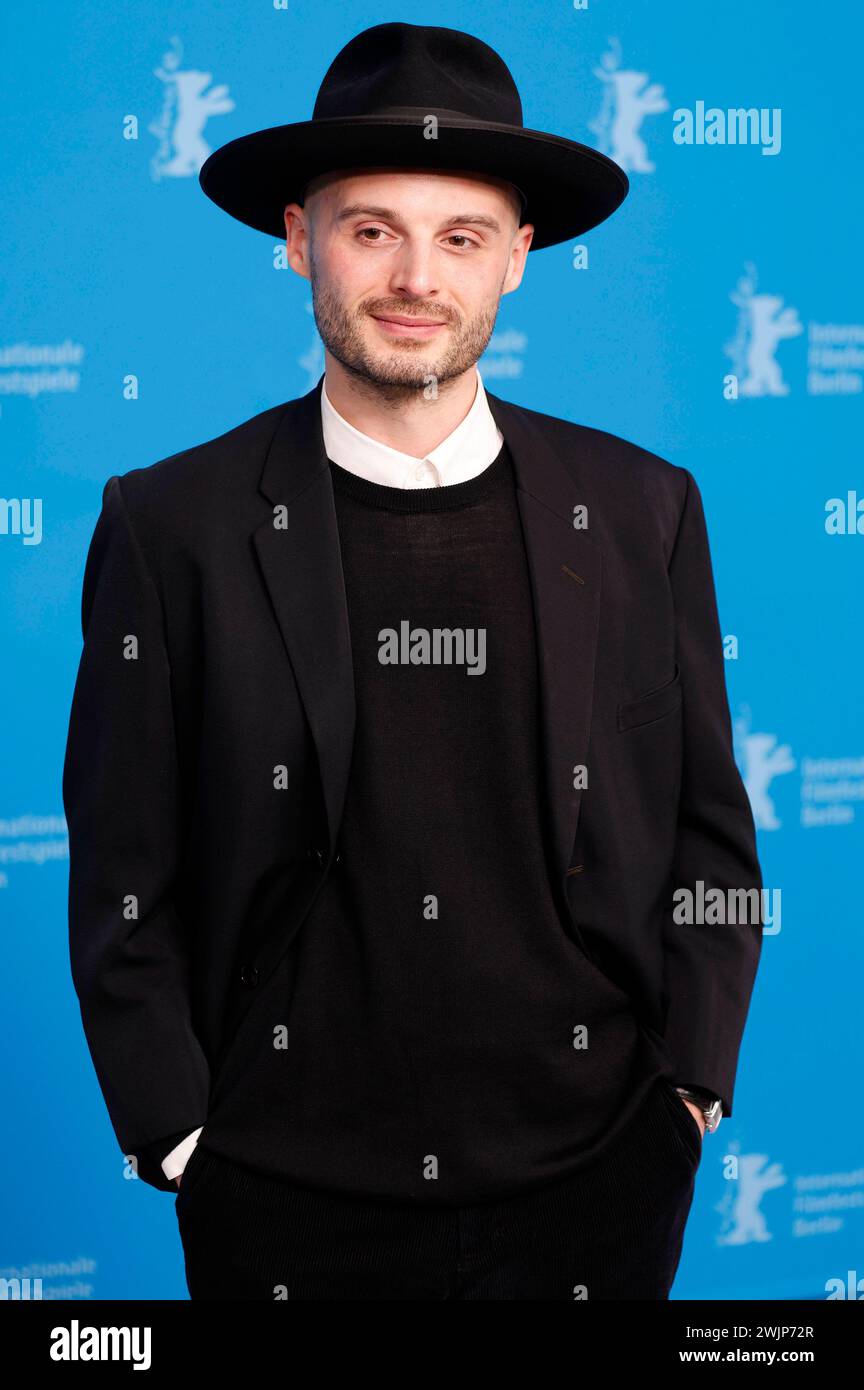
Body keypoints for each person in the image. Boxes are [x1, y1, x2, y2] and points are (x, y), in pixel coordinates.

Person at [63, 22, 763, 1300]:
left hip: (601, 1179)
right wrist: (180, 1138)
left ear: (517, 260)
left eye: (460, 237)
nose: (413, 277)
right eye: (370, 228)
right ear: (296, 238)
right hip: (283, 1198)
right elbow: (124, 866)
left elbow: (709, 832)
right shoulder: (174, 524)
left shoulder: (643, 507)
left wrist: (691, 1092)